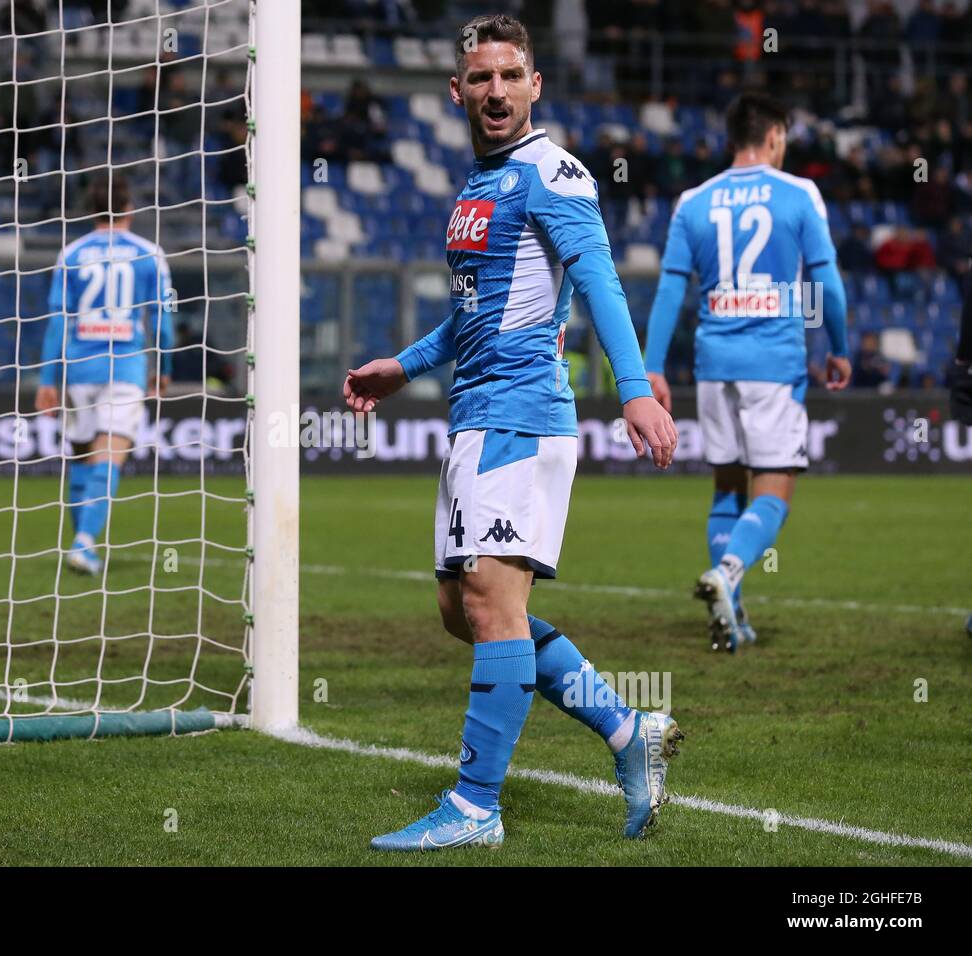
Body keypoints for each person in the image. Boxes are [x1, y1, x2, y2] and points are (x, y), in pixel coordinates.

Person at [344, 14, 681, 851]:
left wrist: (634, 391)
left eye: (510, 76)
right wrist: (406, 364)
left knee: (492, 606)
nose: (495, 90)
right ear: (456, 90)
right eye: (481, 78)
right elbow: (473, 317)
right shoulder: (476, 185)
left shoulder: (551, 171)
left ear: (536, 86)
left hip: (523, 416)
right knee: (461, 610)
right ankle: (627, 729)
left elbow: (599, 276)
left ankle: (473, 807)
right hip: (475, 414)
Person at [644, 92, 851, 652]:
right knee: (775, 486)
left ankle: (729, 618)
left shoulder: (693, 200)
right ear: (776, 136)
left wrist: (652, 367)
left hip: (715, 365)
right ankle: (729, 574)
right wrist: (840, 347)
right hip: (773, 363)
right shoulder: (799, 193)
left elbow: (669, 289)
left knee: (727, 484)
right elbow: (827, 283)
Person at [36, 177, 174, 575]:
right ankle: (84, 542)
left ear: (93, 209)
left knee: (81, 456)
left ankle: (82, 542)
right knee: (109, 454)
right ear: (129, 208)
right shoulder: (149, 253)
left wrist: (47, 378)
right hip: (125, 366)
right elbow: (162, 320)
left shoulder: (72, 253)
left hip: (79, 367)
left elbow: (57, 322)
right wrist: (163, 367)